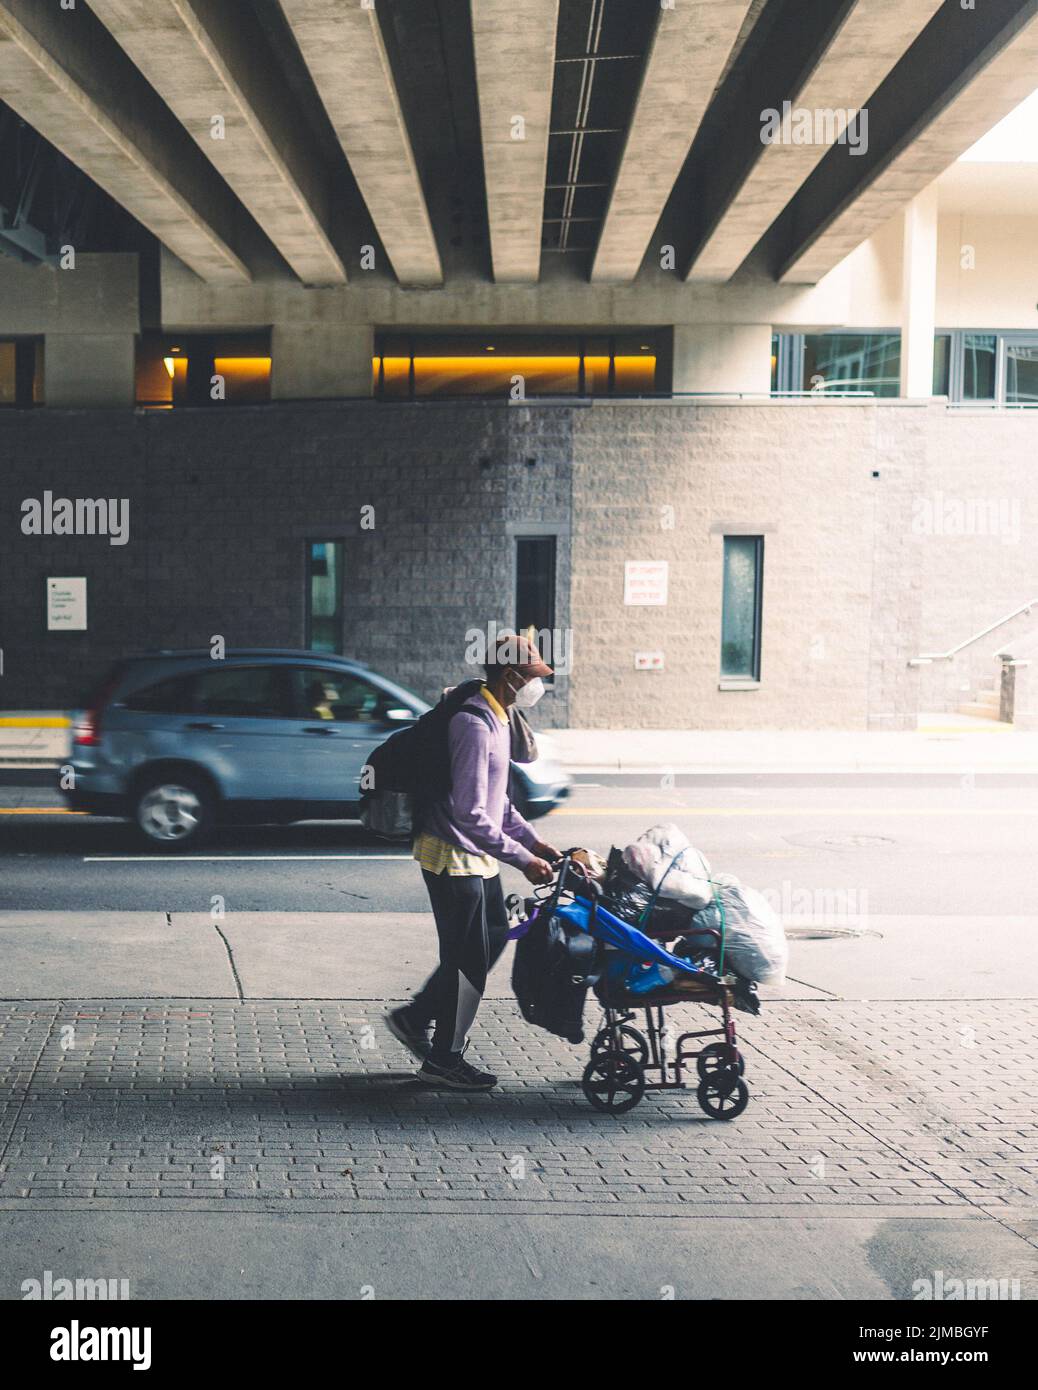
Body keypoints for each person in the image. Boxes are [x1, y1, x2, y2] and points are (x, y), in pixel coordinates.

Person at [385, 633, 561, 1090]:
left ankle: (417, 1017)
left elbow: (498, 803)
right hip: (450, 855)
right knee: (468, 963)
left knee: (494, 938)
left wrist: (537, 845)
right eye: (533, 676)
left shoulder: (499, 717)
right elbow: (470, 811)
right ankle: (445, 1057)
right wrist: (523, 860)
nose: (538, 685)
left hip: (477, 855)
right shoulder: (474, 724)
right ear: (510, 676)